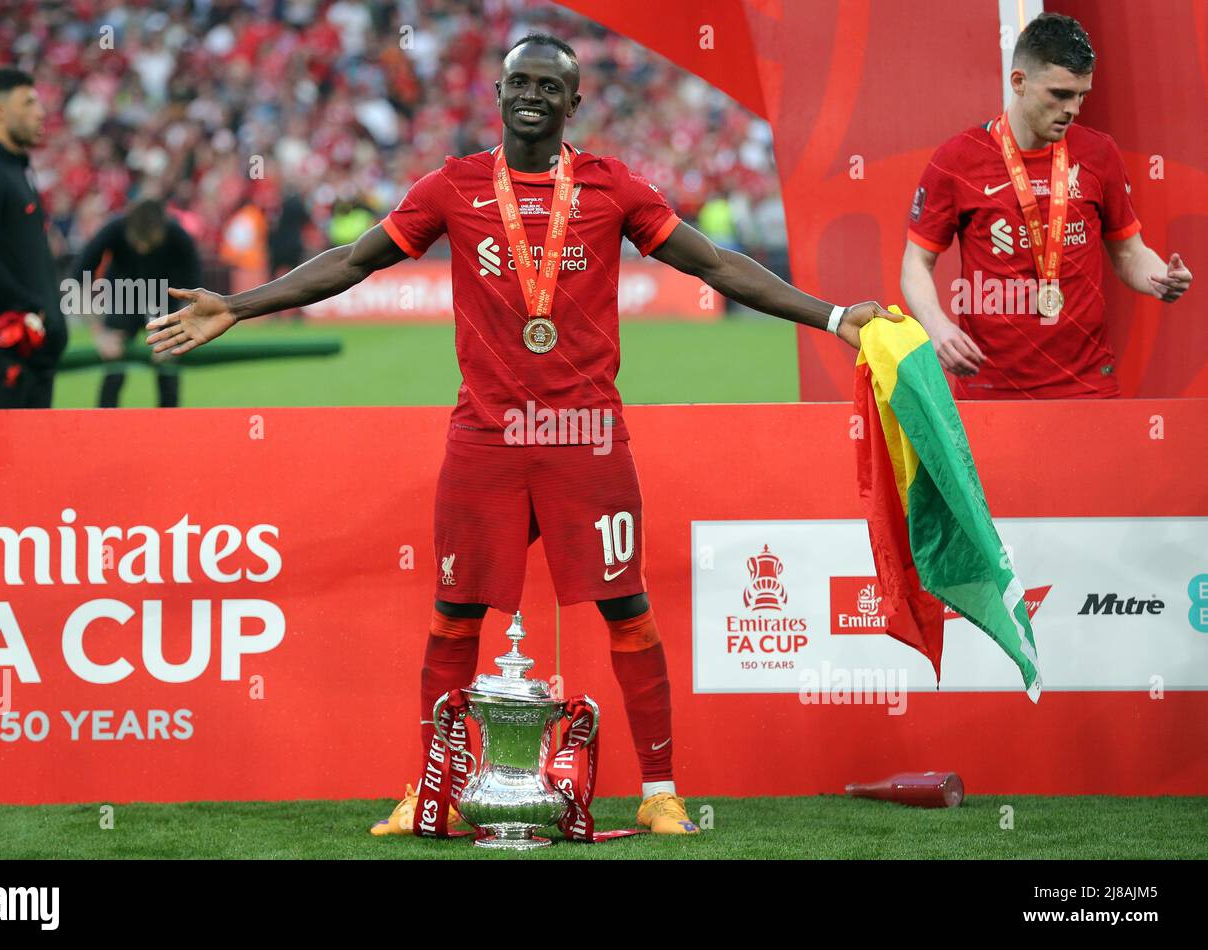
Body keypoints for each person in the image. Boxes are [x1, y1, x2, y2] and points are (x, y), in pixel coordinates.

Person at [147, 33, 897, 836]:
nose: (531, 94)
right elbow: (353, 261)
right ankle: (427, 791)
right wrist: (241, 305)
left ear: (575, 103)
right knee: (452, 615)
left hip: (587, 438)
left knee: (627, 610)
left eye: (549, 84)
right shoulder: (454, 186)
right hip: (487, 440)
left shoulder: (612, 187)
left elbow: (711, 262)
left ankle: (659, 790)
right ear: (498, 94)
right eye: (518, 81)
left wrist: (830, 317)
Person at [901, 12, 1192, 399]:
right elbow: (915, 263)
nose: (1072, 109)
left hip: (1087, 385)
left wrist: (1158, 277)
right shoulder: (958, 159)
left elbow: (1129, 252)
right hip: (990, 386)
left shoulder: (1099, 152)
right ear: (1019, 82)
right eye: (1059, 95)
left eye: (1080, 95)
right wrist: (938, 328)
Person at [0, 67, 67, 408]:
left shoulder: (15, 168)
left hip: (29, 347)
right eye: (29, 102)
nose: (41, 111)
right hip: (4, 341)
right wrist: (33, 308)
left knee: (31, 461)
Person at [74, 198, 200, 407]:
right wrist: (100, 334)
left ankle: (170, 430)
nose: (142, 247)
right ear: (128, 227)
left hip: (166, 302)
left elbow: (196, 294)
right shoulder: (114, 228)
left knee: (168, 371)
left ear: (163, 230)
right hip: (123, 301)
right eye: (137, 241)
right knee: (114, 371)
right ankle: (103, 429)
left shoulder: (179, 237)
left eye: (149, 242)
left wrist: (180, 334)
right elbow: (78, 280)